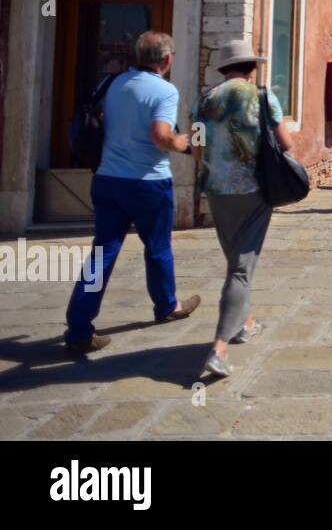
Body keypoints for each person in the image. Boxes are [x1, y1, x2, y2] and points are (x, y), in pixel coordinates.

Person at [64, 31, 200, 354]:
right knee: (157, 248)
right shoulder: (165, 91)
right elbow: (160, 134)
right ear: (167, 60)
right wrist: (182, 144)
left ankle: (79, 327)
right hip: (148, 182)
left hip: (108, 179)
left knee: (103, 252)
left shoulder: (112, 85)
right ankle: (167, 306)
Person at [192, 39, 293, 377]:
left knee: (236, 261)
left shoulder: (205, 100)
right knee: (240, 268)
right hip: (253, 189)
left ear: (224, 68)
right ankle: (219, 349)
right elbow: (286, 143)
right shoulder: (262, 97)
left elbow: (195, 148)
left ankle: (245, 323)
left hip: (216, 190)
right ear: (252, 67)